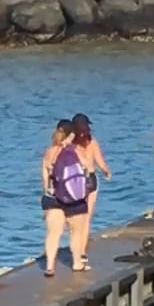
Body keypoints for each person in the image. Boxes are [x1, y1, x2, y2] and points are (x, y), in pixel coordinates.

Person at [41, 118, 85, 275]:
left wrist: (47, 192)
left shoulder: (49, 152)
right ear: (71, 135)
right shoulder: (77, 151)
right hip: (74, 198)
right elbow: (86, 169)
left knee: (53, 233)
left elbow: (45, 176)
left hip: (53, 197)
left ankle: (50, 266)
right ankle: (77, 263)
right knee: (76, 232)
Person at [70, 113, 111, 271]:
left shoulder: (71, 146)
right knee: (86, 218)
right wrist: (107, 171)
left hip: (76, 181)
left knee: (76, 219)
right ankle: (82, 252)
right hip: (91, 180)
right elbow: (101, 162)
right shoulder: (92, 142)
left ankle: (76, 250)